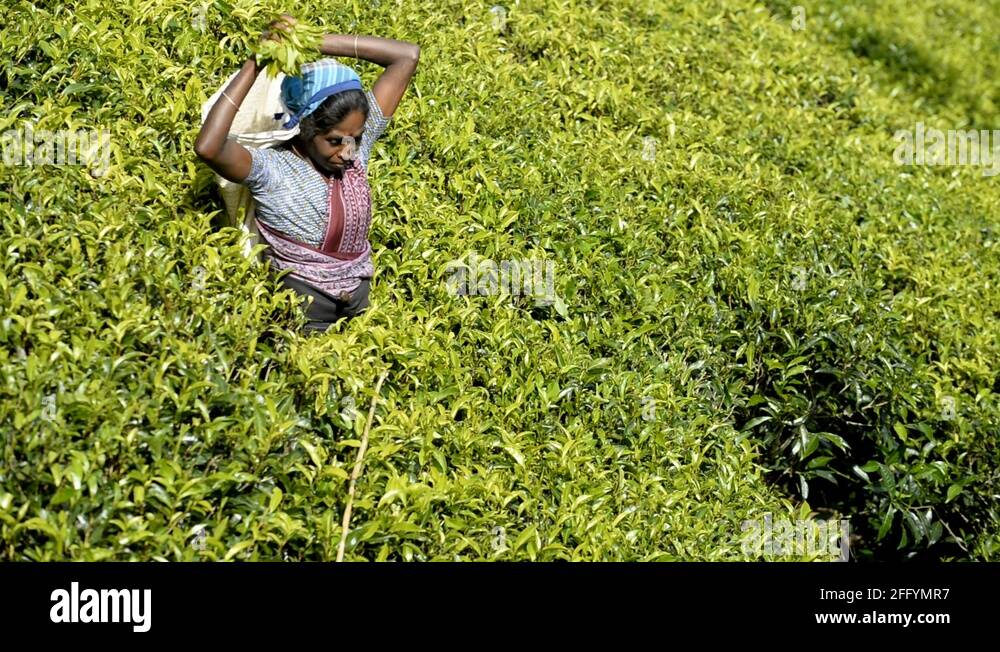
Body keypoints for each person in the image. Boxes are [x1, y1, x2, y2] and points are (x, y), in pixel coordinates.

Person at [195, 15, 419, 334]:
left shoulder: (359, 145)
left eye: (353, 138)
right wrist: (256, 62)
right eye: (334, 140)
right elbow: (209, 148)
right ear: (305, 128)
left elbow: (406, 56)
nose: (347, 151)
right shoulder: (272, 168)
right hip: (305, 310)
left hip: (359, 299)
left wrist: (308, 42)